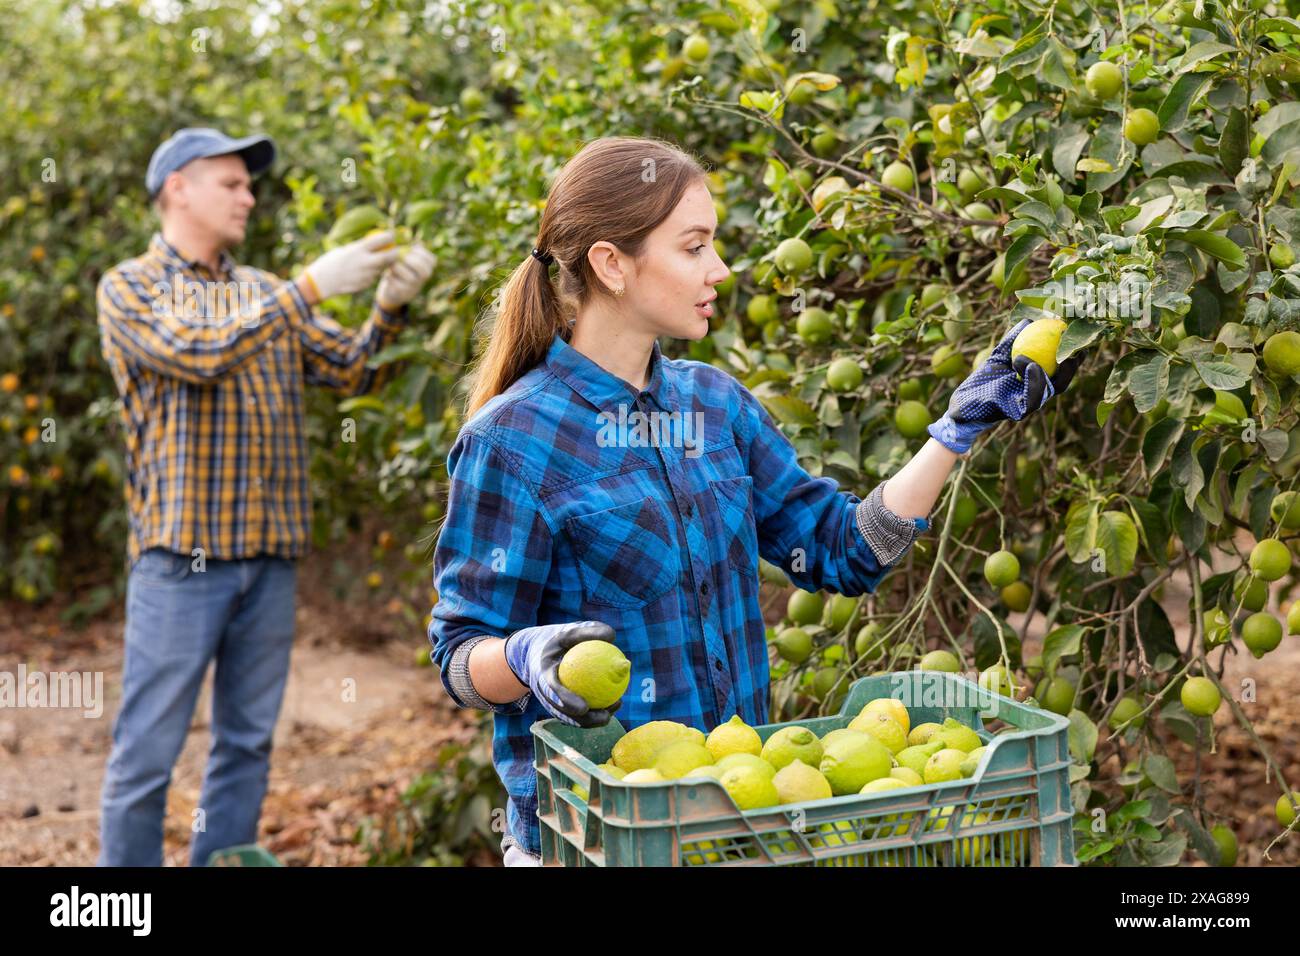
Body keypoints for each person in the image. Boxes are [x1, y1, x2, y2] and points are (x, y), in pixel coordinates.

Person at [427, 136, 1078, 866]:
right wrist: (524, 654)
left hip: (736, 826)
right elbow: (459, 658)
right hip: (595, 840)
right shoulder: (513, 440)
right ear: (612, 264)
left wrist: (957, 430)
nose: (720, 270)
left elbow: (844, 549)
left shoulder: (715, 406)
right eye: (694, 247)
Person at [96, 127, 436, 866]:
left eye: (251, 185)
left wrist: (388, 306)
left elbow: (352, 372)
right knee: (148, 752)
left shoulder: (262, 292)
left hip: (270, 561)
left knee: (247, 744)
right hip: (180, 561)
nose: (249, 195)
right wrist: (311, 286)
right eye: (232, 182)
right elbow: (199, 350)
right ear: (177, 187)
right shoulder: (130, 287)